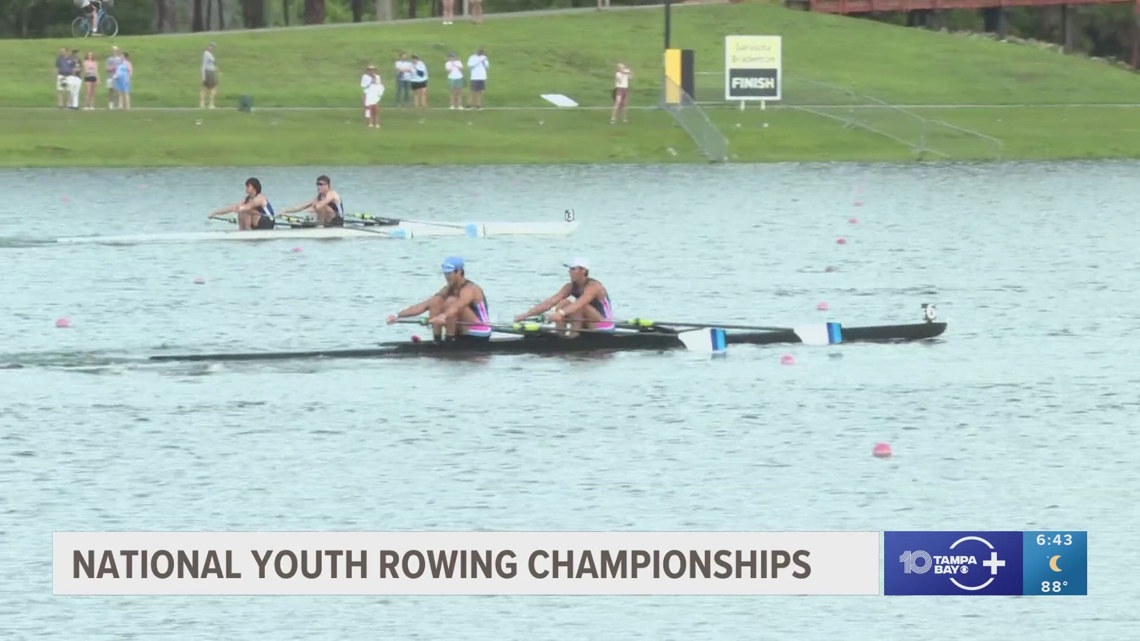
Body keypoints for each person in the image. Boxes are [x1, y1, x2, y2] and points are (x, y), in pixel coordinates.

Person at [386, 257, 492, 341]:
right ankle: (437, 340)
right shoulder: (449, 288)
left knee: (451, 301)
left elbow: (458, 306)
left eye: (449, 273)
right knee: (435, 302)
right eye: (445, 273)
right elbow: (425, 305)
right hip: (461, 329)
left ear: (459, 272)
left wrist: (442, 316)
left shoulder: (470, 289)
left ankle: (449, 340)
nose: (446, 277)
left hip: (479, 331)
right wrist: (397, 316)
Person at [514, 258, 615, 334]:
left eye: (573, 269)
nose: (569, 272)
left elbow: (580, 303)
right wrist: (525, 315)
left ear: (583, 270)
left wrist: (560, 313)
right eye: (569, 269)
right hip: (586, 322)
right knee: (563, 303)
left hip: (603, 324)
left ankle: (573, 336)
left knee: (577, 306)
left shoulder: (594, 286)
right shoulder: (569, 287)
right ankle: (562, 335)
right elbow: (550, 302)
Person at [207, 177, 276, 230]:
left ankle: (247, 230)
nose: (246, 188)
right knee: (241, 210)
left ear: (254, 188)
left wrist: (239, 208)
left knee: (245, 210)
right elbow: (232, 208)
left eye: (248, 186)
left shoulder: (259, 198)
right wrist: (214, 213)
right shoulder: (247, 199)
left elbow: (247, 207)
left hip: (268, 222)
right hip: (257, 222)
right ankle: (242, 230)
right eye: (246, 186)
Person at [280, 175, 344, 227]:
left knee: (322, 207)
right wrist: (285, 211)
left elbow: (320, 205)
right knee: (315, 205)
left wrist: (307, 212)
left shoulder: (332, 194)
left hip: (337, 221)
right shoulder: (319, 197)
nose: (318, 186)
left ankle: (319, 226)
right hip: (326, 222)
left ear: (327, 185)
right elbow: (301, 206)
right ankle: (319, 225)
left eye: (321, 184)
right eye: (317, 184)